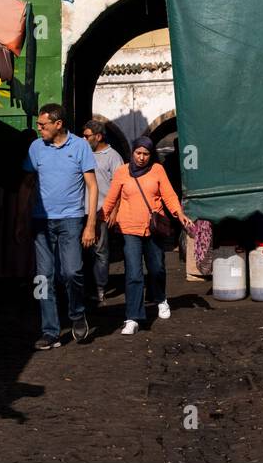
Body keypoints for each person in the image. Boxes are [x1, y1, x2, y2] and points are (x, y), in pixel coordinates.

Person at [21, 104, 98, 350]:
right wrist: (20, 220)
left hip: (71, 220)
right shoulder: (35, 148)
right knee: (43, 278)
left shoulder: (80, 146)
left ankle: (77, 314)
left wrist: (91, 225)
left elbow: (93, 187)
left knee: (72, 272)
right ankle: (50, 331)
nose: (39, 128)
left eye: (43, 125)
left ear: (58, 124)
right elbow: (26, 185)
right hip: (41, 221)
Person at [100, 136, 191, 336]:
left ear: (151, 155)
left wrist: (179, 214)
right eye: (138, 153)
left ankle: (160, 298)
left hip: (153, 228)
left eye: (146, 154)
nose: (141, 157)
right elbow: (111, 199)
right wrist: (97, 219)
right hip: (129, 229)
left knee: (157, 268)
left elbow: (168, 195)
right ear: (132, 153)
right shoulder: (122, 172)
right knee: (133, 273)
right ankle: (133, 317)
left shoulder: (157, 170)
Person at [81, 116, 124, 305]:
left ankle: (100, 289)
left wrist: (114, 211)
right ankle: (84, 288)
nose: (83, 139)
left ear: (98, 137)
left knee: (100, 251)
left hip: (100, 211)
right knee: (82, 251)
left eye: (86, 136)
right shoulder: (83, 153)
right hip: (79, 210)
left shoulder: (113, 156)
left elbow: (120, 185)